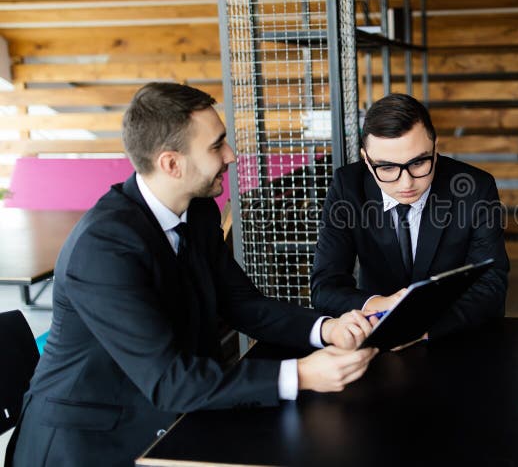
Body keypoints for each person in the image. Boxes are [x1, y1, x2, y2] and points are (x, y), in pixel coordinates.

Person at [8, 83, 378, 467]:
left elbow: (243, 304)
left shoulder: (197, 211)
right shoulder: (103, 248)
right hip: (88, 445)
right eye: (217, 145)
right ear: (171, 163)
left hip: (169, 418)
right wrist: (300, 374)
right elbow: (170, 381)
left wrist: (327, 328)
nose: (231, 155)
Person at [310, 93, 509, 340]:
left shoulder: (476, 187)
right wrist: (378, 305)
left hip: (454, 338)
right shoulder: (347, 186)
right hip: (376, 339)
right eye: (387, 168)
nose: (407, 183)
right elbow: (324, 287)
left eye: (418, 163)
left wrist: (423, 329)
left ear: (435, 148)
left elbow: (491, 285)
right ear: (367, 161)